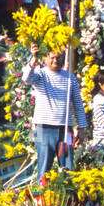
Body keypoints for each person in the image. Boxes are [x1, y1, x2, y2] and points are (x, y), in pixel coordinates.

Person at [21, 44, 86, 180]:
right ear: (45, 58)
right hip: (43, 127)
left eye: (58, 57)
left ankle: (68, 196)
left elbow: (78, 104)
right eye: (52, 57)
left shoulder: (70, 78)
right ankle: (42, 196)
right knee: (44, 167)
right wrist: (33, 59)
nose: (55, 60)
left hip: (64, 128)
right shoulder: (40, 74)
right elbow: (26, 78)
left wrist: (81, 127)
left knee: (68, 168)